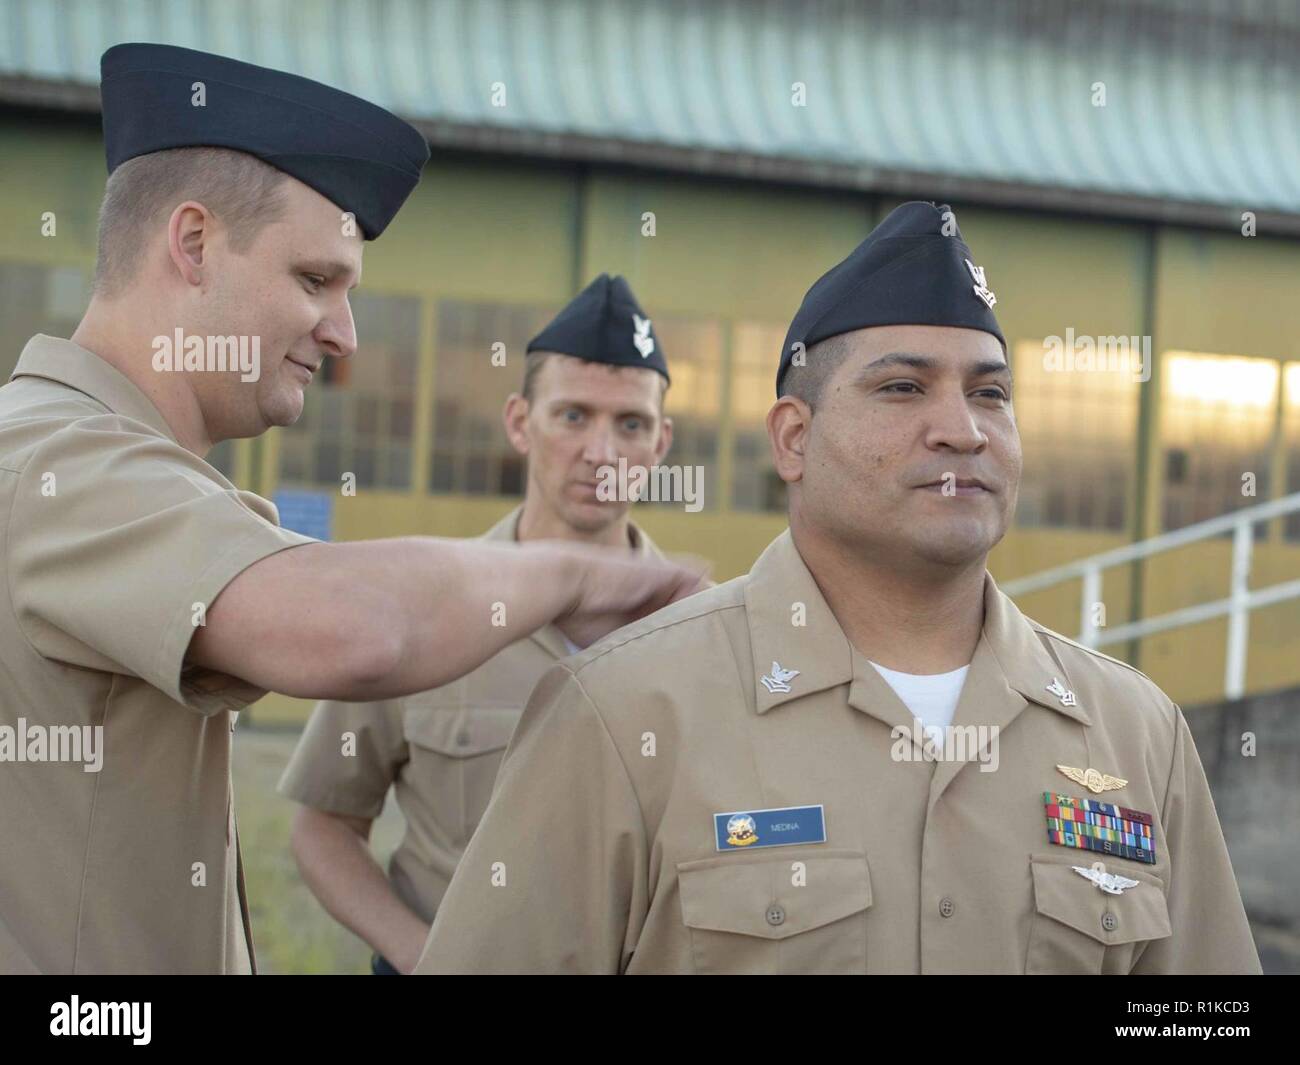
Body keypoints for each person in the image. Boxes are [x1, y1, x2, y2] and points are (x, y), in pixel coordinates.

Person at [413, 201, 1262, 974]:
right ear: (794, 438)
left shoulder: (1135, 732)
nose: (962, 429)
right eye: (903, 387)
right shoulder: (626, 710)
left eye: (990, 393)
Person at [0, 45, 701, 975]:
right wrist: (589, 575)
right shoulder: (59, 457)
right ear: (195, 243)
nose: (344, 333)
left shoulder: (103, 459)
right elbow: (359, 630)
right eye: (314, 280)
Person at [278, 275, 677, 974]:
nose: (602, 452)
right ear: (520, 422)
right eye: (574, 415)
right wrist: (423, 957)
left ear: (662, 442)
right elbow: (323, 822)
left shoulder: (693, 629)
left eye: (631, 423)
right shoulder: (426, 611)